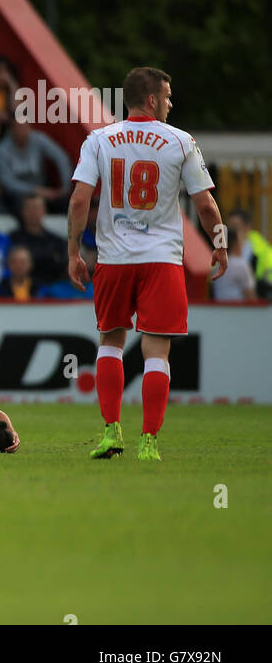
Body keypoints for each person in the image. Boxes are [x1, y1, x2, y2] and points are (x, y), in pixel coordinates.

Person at [68, 67, 226, 462]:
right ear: (152, 99)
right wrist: (219, 245)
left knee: (110, 343)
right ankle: (149, 442)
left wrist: (73, 251)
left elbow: (78, 201)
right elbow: (205, 204)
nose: (171, 103)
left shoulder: (99, 139)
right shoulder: (180, 141)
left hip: (114, 259)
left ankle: (110, 433)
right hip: (162, 260)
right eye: (168, 97)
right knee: (157, 352)